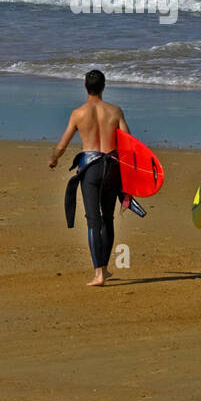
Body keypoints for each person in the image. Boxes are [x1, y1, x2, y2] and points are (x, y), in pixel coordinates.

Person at [49, 69, 129, 287]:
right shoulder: (115, 111)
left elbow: (63, 143)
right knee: (108, 219)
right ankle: (104, 268)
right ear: (104, 86)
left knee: (93, 220)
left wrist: (54, 158)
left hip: (91, 169)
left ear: (85, 86)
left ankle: (99, 273)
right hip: (112, 167)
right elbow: (129, 143)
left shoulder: (78, 114)